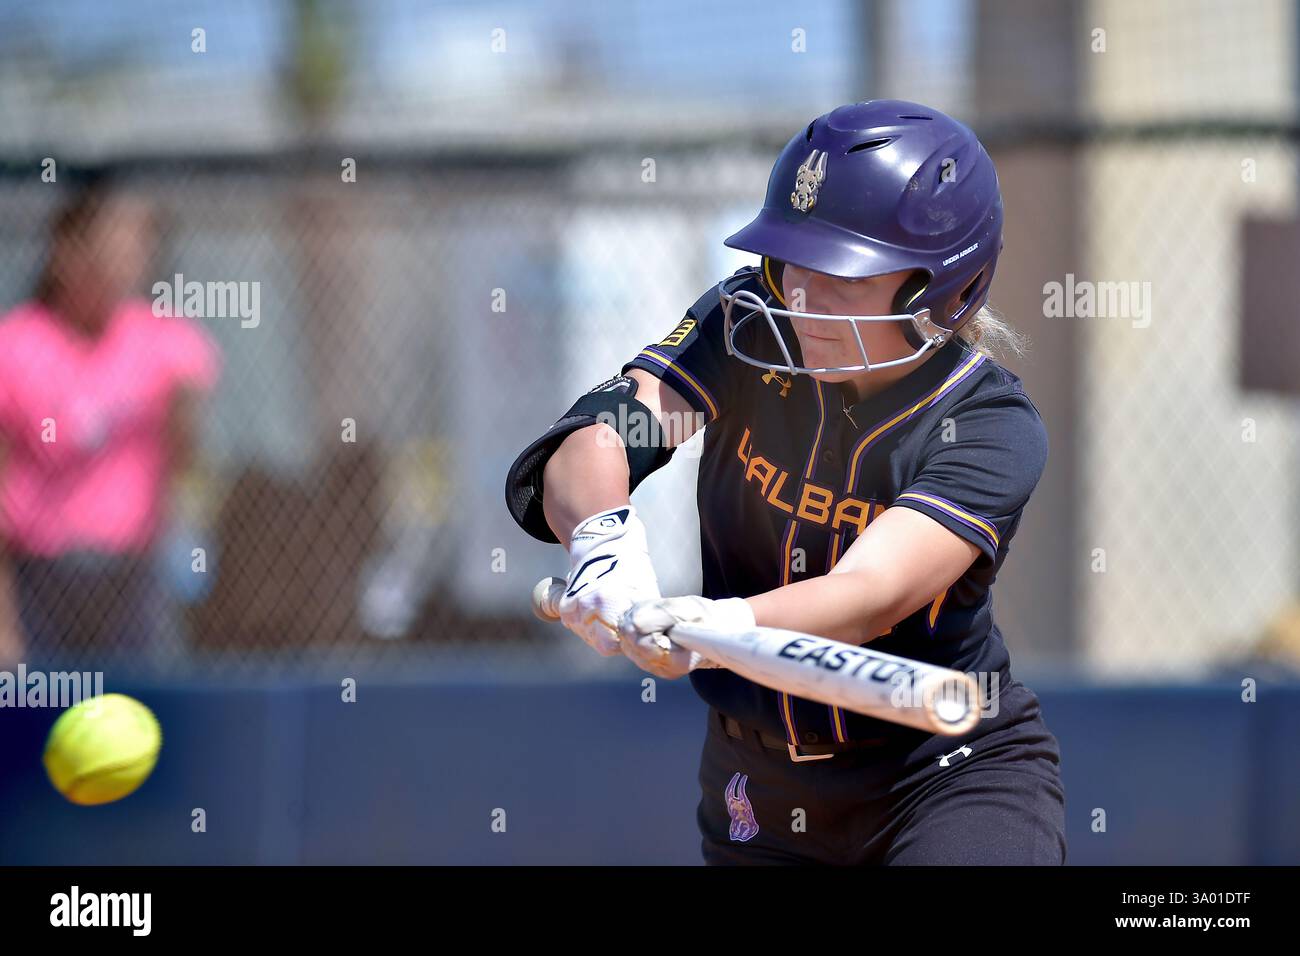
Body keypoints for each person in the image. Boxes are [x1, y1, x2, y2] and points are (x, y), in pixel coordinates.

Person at [505, 100, 1066, 865]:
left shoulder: (988, 422)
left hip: (941, 773)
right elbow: (605, 437)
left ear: (945, 288)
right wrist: (602, 539)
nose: (802, 297)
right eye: (790, 261)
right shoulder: (746, 330)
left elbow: (870, 594)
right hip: (757, 792)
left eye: (842, 271)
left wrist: (722, 629)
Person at [0, 183, 220, 666]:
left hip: (132, 579)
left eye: (138, 242)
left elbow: (187, 463)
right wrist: (3, 620)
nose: (127, 255)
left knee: (146, 711)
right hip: (40, 578)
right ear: (66, 251)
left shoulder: (164, 339)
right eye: (112, 239)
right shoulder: (15, 344)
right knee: (36, 720)